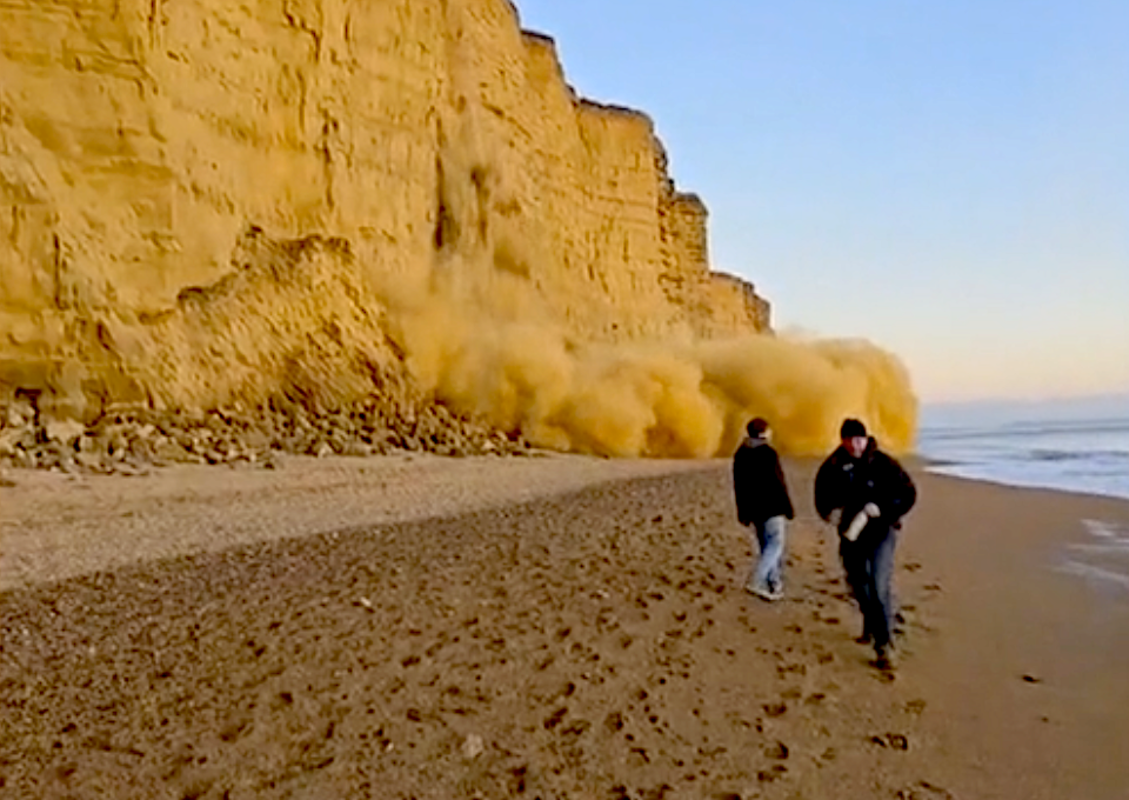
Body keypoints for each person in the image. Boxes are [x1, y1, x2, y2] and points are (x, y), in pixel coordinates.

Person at [815, 418, 916, 670]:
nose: (854, 444)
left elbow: (908, 493)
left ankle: (884, 644)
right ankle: (871, 622)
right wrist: (829, 512)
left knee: (878, 585)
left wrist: (883, 508)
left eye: (858, 439)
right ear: (842, 440)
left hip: (882, 531)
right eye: (849, 439)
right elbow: (821, 495)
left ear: (866, 438)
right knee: (859, 585)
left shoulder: (883, 463)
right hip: (851, 534)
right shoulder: (833, 465)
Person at [733, 418, 795, 601]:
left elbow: (738, 486)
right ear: (765, 432)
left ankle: (774, 584)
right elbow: (779, 482)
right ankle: (756, 580)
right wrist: (788, 507)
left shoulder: (741, 454)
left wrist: (742, 512)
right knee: (775, 544)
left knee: (766, 547)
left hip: (754, 510)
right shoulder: (768, 453)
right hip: (772, 507)